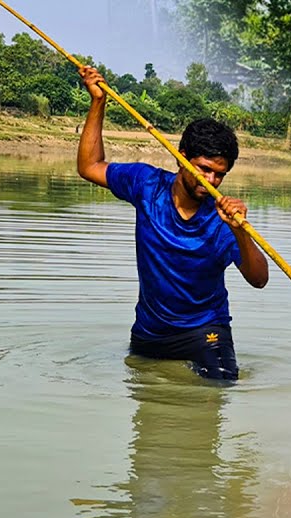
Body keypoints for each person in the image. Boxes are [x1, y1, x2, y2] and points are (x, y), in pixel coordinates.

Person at [76, 66, 268, 381]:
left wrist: (240, 231)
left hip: (206, 331)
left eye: (220, 174)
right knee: (150, 412)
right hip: (150, 334)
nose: (211, 181)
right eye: (204, 169)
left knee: (221, 386)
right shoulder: (146, 184)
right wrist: (98, 103)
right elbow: (90, 166)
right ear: (181, 158)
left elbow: (259, 279)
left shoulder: (224, 220)